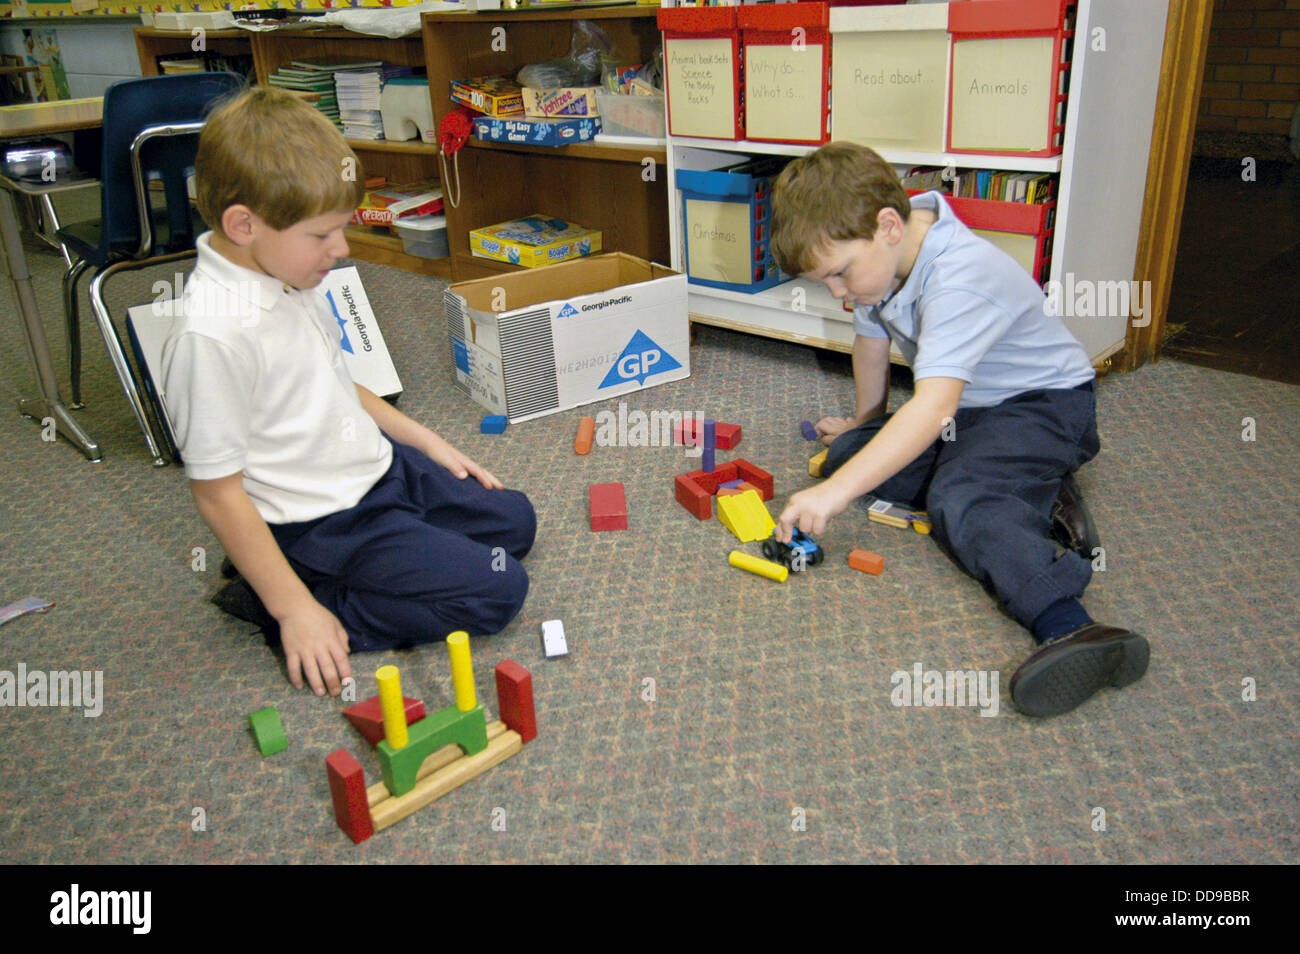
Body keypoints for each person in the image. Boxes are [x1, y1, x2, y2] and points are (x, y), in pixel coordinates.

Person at [161, 86, 535, 697]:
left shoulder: (283, 271)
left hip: (378, 471)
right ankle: (302, 594)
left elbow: (335, 380)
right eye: (323, 235)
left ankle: (373, 555)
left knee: (513, 524)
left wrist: (427, 442)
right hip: (327, 519)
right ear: (243, 224)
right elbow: (218, 494)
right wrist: (294, 613)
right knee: (499, 591)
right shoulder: (212, 338)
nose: (341, 250)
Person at [769, 141, 1148, 717]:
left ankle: (1072, 625)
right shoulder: (881, 260)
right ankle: (1034, 493)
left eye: (839, 275)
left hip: (1042, 405)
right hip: (969, 409)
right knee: (852, 453)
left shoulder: (960, 275)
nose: (839, 293)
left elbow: (931, 410)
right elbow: (871, 344)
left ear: (888, 225)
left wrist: (834, 494)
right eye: (825, 283)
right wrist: (864, 424)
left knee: (960, 498)